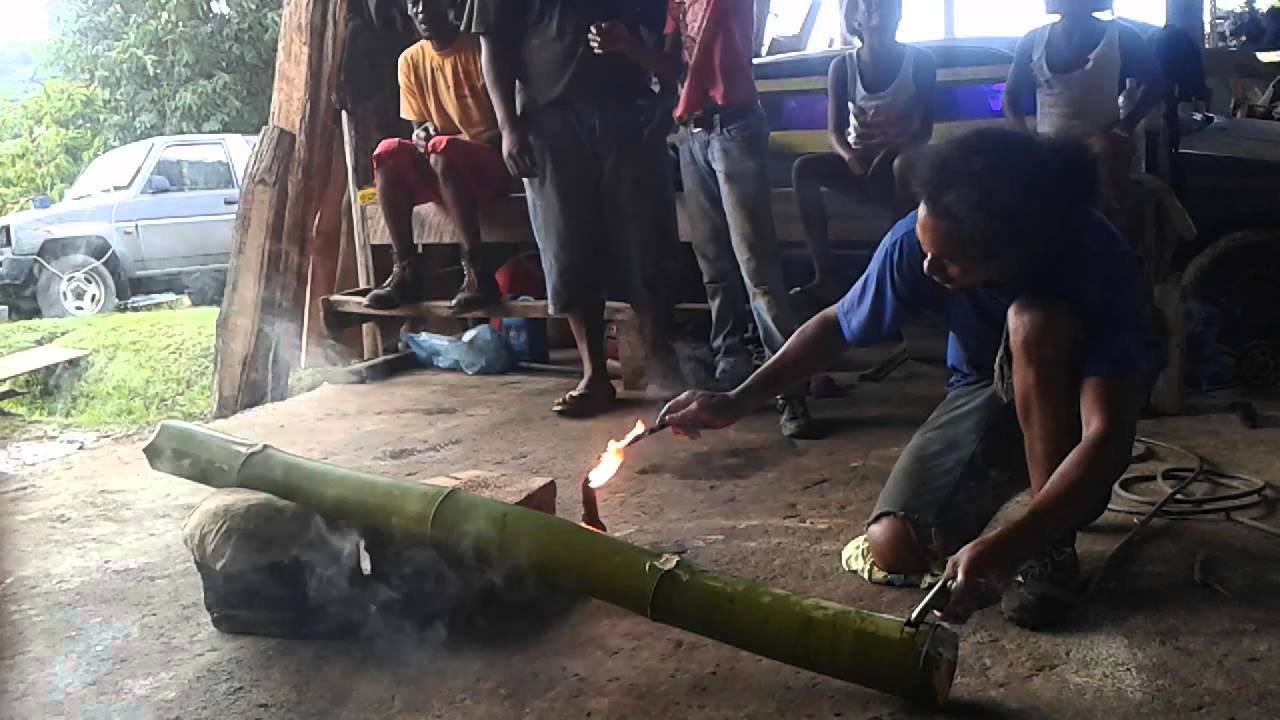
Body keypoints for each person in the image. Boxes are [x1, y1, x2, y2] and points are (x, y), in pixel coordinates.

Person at [658, 128, 1153, 630]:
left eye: (950, 260)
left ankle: (1049, 552)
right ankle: (1029, 505)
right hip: (985, 388)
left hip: (1068, 394)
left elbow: (1106, 433)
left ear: (1015, 253)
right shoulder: (921, 244)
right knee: (895, 545)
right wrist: (738, 400)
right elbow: (836, 326)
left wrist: (1016, 542)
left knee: (1034, 323)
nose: (928, 267)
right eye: (924, 247)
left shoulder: (1095, 259)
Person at [589, 0, 819, 439]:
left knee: (757, 268)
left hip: (735, 127)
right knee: (713, 265)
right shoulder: (677, 4)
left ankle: (791, 391)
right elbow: (673, 67)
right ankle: (730, 373)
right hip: (692, 132)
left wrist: (629, 44)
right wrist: (629, 48)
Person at [462, 0, 680, 418]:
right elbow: (492, 45)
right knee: (567, 244)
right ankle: (594, 374)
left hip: (628, 114)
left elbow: (670, 32)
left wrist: (665, 100)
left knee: (645, 240)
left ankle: (660, 365)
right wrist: (508, 127)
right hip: (549, 121)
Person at [365, 0, 510, 313]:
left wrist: (447, 143)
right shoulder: (410, 60)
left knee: (444, 150)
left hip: (489, 168)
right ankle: (405, 270)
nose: (420, 10)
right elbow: (420, 128)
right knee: (387, 152)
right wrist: (420, 136)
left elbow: (507, 128)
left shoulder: (480, 48)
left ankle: (477, 272)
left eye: (428, 2)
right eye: (413, 4)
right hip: (441, 166)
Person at [791, 0, 936, 302]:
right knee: (803, 168)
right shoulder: (843, 67)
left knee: (901, 167)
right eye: (867, 5)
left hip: (904, 160)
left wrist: (892, 151)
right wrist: (850, 157)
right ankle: (824, 276)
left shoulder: (920, 61)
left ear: (898, 15)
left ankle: (899, 274)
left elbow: (923, 131)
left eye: (885, 5)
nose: (876, 9)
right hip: (862, 160)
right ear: (854, 18)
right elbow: (835, 131)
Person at [1004, 0, 1163, 209]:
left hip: (1106, 148)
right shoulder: (1033, 40)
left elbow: (1157, 82)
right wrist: (1024, 136)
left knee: (1105, 202)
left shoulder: (1122, 36)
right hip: (1049, 147)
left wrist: (1124, 128)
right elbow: (1011, 94)